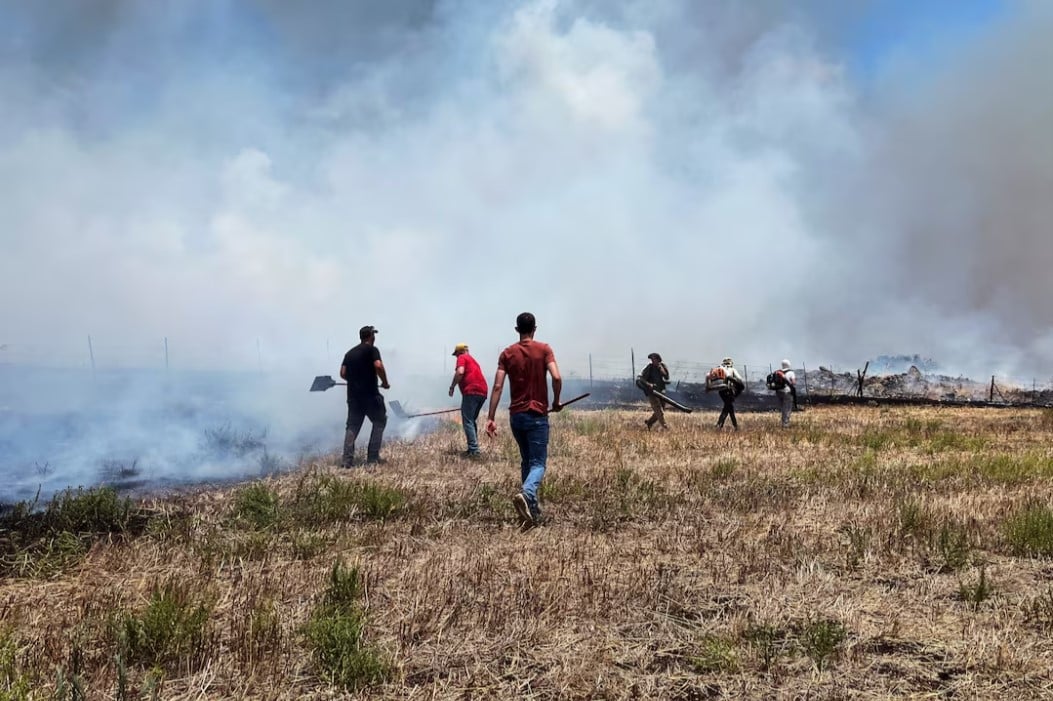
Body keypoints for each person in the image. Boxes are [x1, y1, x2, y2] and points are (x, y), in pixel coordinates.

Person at [484, 312, 562, 528]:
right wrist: (556, 401)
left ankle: (531, 510)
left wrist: (490, 417)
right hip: (537, 414)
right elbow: (556, 377)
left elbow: (498, 386)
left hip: (516, 416)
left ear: (517, 330)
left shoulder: (507, 354)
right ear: (534, 328)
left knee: (527, 461)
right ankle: (527, 494)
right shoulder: (544, 349)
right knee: (538, 463)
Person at [340, 325, 390, 467]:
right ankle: (372, 458)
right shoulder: (372, 350)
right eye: (373, 335)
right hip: (370, 396)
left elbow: (343, 373)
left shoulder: (349, 353)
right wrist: (385, 382)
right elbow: (378, 366)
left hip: (353, 397)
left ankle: (347, 460)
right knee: (380, 421)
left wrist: (354, 381)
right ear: (370, 337)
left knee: (352, 426)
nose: (374, 338)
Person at [448, 343, 489, 457]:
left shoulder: (462, 358)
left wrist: (452, 387)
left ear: (459, 352)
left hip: (471, 391)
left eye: (456, 355)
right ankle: (474, 447)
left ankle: (474, 450)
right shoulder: (473, 360)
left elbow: (460, 372)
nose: (456, 357)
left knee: (468, 421)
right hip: (482, 392)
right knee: (471, 420)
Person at [637, 352, 670, 430]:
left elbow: (666, 377)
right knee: (659, 411)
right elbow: (641, 378)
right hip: (651, 392)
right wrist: (649, 384)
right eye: (651, 359)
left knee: (660, 410)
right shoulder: (649, 367)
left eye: (654, 359)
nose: (652, 361)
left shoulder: (663, 366)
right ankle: (665, 428)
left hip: (661, 391)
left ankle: (649, 422)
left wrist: (660, 368)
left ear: (658, 359)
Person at [715, 357, 745, 430]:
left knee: (729, 407)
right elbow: (740, 379)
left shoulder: (719, 369)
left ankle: (734, 426)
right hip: (728, 391)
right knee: (727, 408)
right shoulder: (732, 370)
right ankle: (720, 424)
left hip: (721, 391)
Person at [774, 359, 797, 427]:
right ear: (789, 364)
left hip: (778, 392)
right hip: (787, 392)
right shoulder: (791, 372)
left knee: (783, 408)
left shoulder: (778, 372)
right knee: (787, 408)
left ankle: (783, 422)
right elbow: (793, 382)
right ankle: (785, 424)